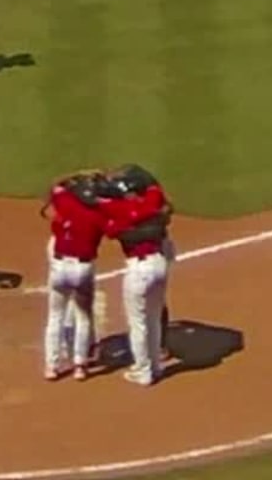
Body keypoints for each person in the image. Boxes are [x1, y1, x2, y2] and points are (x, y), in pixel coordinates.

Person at [98, 165, 174, 385]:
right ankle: (155, 366)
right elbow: (155, 190)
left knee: (138, 323)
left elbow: (106, 218)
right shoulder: (151, 204)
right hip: (159, 265)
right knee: (153, 320)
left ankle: (142, 371)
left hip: (139, 270)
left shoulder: (117, 212)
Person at [40, 171, 109, 381]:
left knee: (55, 317)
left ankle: (51, 366)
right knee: (83, 317)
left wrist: (79, 173)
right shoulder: (99, 214)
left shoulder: (65, 202)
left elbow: (55, 185)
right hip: (82, 269)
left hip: (59, 267)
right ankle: (80, 365)